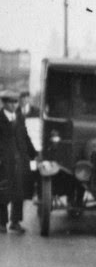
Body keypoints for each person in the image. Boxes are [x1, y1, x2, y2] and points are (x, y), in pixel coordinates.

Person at [0, 90, 38, 234]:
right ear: (4, 103)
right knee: (2, 192)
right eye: (10, 102)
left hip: (21, 159)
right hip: (4, 161)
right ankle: (2, 223)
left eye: (15, 102)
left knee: (19, 192)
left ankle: (15, 222)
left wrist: (34, 154)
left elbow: (25, 137)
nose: (14, 105)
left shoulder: (20, 117)